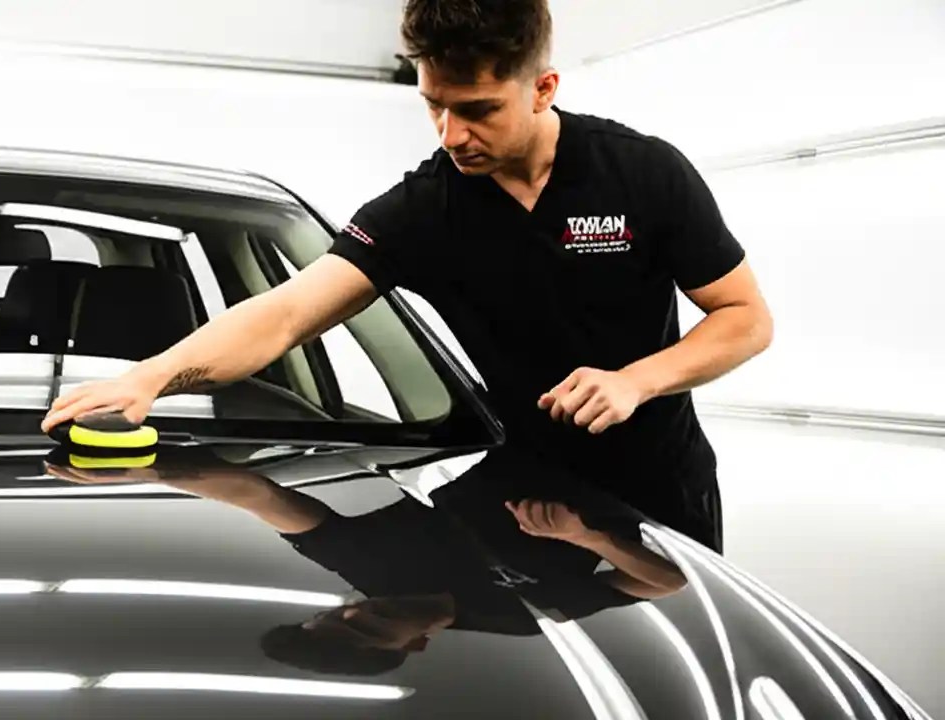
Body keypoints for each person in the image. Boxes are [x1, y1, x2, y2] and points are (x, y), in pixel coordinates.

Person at [41, 0, 773, 554]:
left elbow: (745, 318)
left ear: (542, 88)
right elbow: (287, 314)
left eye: (478, 110)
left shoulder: (642, 174)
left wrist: (636, 380)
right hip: (516, 497)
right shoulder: (426, 210)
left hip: (657, 498)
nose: (452, 136)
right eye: (434, 106)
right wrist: (153, 378)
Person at [45, 445, 689, 676]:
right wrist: (591, 542)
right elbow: (664, 583)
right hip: (619, 467)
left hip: (521, 431)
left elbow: (259, 495)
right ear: (415, 648)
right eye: (371, 629)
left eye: (340, 616)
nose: (359, 610)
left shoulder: (365, 567)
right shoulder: (518, 619)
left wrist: (150, 469)